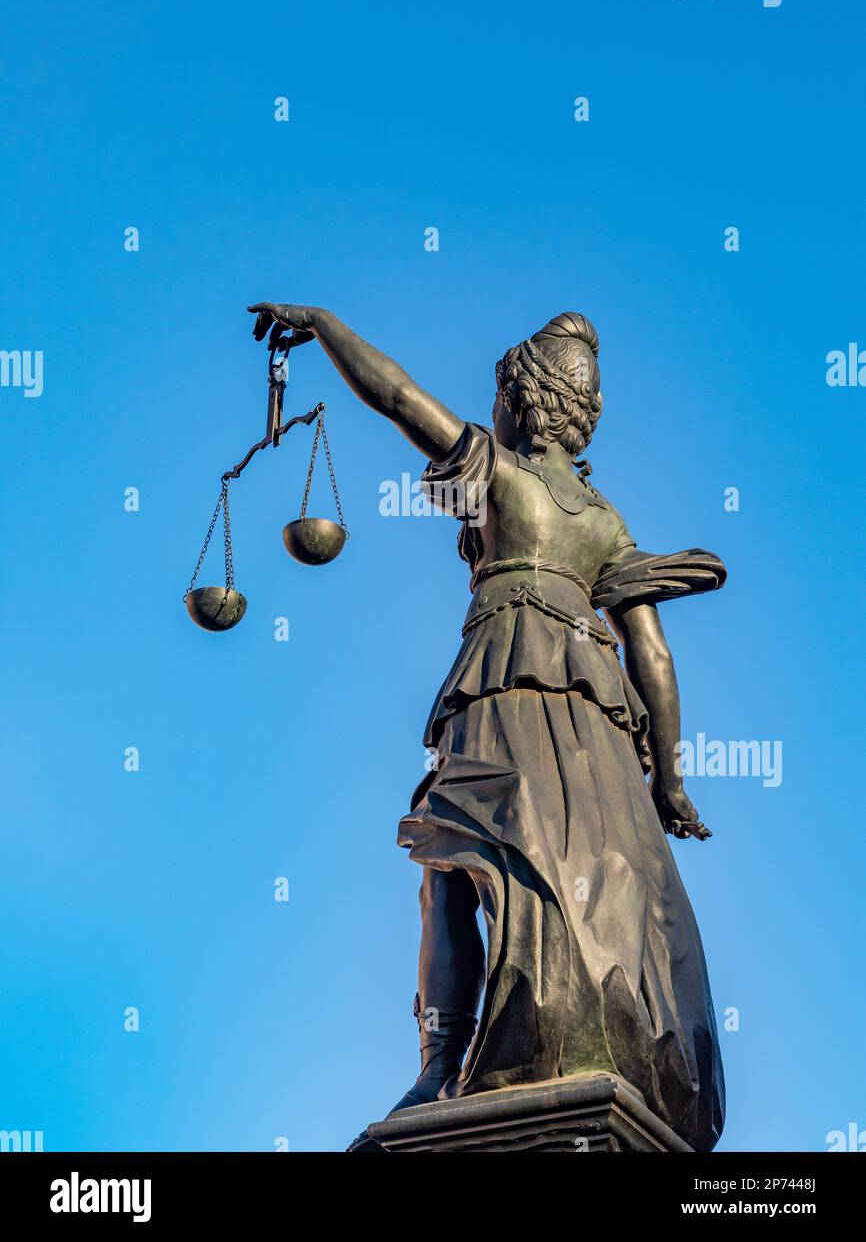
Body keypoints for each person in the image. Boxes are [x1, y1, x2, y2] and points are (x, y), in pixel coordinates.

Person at [250, 302, 726, 1151]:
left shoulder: (502, 476)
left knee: (453, 862)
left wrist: (321, 324)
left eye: (503, 394)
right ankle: (524, 1047)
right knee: (568, 879)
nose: (495, 407)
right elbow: (651, 656)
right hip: (601, 724)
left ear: (523, 402)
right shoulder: (607, 524)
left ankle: (440, 1063)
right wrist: (671, 778)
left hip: (506, 688)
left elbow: (397, 398)